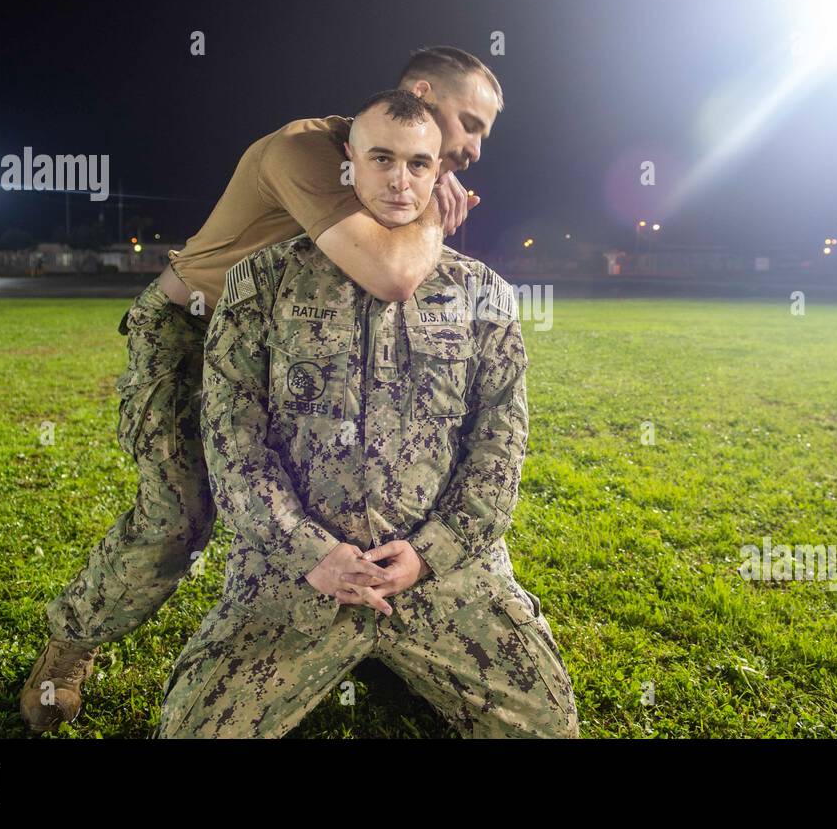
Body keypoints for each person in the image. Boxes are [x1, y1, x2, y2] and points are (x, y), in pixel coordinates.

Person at [20, 47, 502, 733]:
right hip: (189, 334)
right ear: (421, 92)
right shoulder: (308, 150)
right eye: (471, 121)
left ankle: (366, 640)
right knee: (178, 516)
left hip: (279, 351)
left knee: (331, 492)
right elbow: (392, 273)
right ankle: (71, 641)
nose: (477, 147)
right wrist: (429, 218)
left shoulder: (387, 172)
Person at [158, 90, 577, 738]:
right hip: (297, 578)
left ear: (440, 174)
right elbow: (231, 437)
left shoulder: (481, 293)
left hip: (440, 580)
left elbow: (500, 444)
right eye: (381, 158)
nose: (400, 179)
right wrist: (308, 551)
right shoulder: (262, 281)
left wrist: (431, 553)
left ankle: (399, 652)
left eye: (418, 163)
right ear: (348, 164)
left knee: (549, 727)